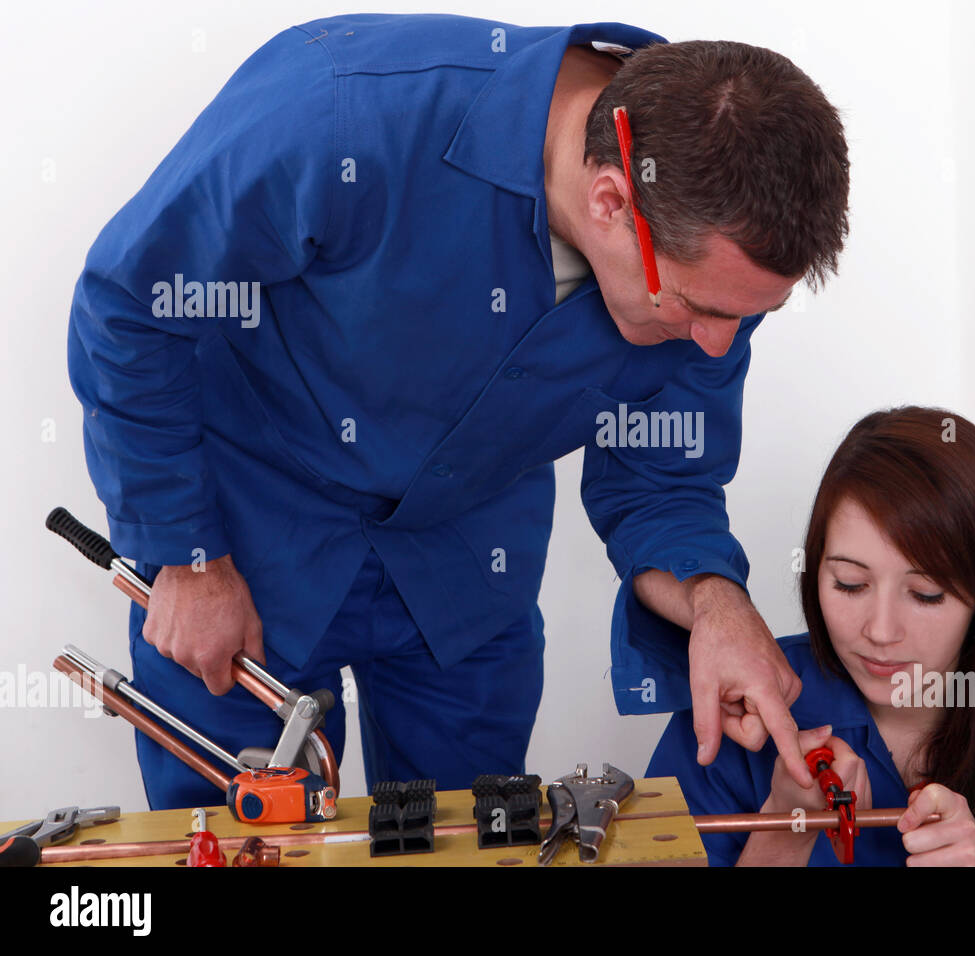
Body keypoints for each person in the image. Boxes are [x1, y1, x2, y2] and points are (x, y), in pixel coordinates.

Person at [66, 13, 850, 806]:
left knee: (474, 846)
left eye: (749, 317)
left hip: (469, 567)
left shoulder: (711, 269)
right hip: (243, 532)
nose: (717, 346)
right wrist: (185, 553)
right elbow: (132, 304)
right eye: (692, 306)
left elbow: (662, 485)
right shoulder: (341, 112)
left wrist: (717, 602)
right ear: (612, 201)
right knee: (240, 843)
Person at [648, 406, 975, 865]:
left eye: (927, 594)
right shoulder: (735, 705)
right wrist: (785, 830)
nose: (880, 631)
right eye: (850, 584)